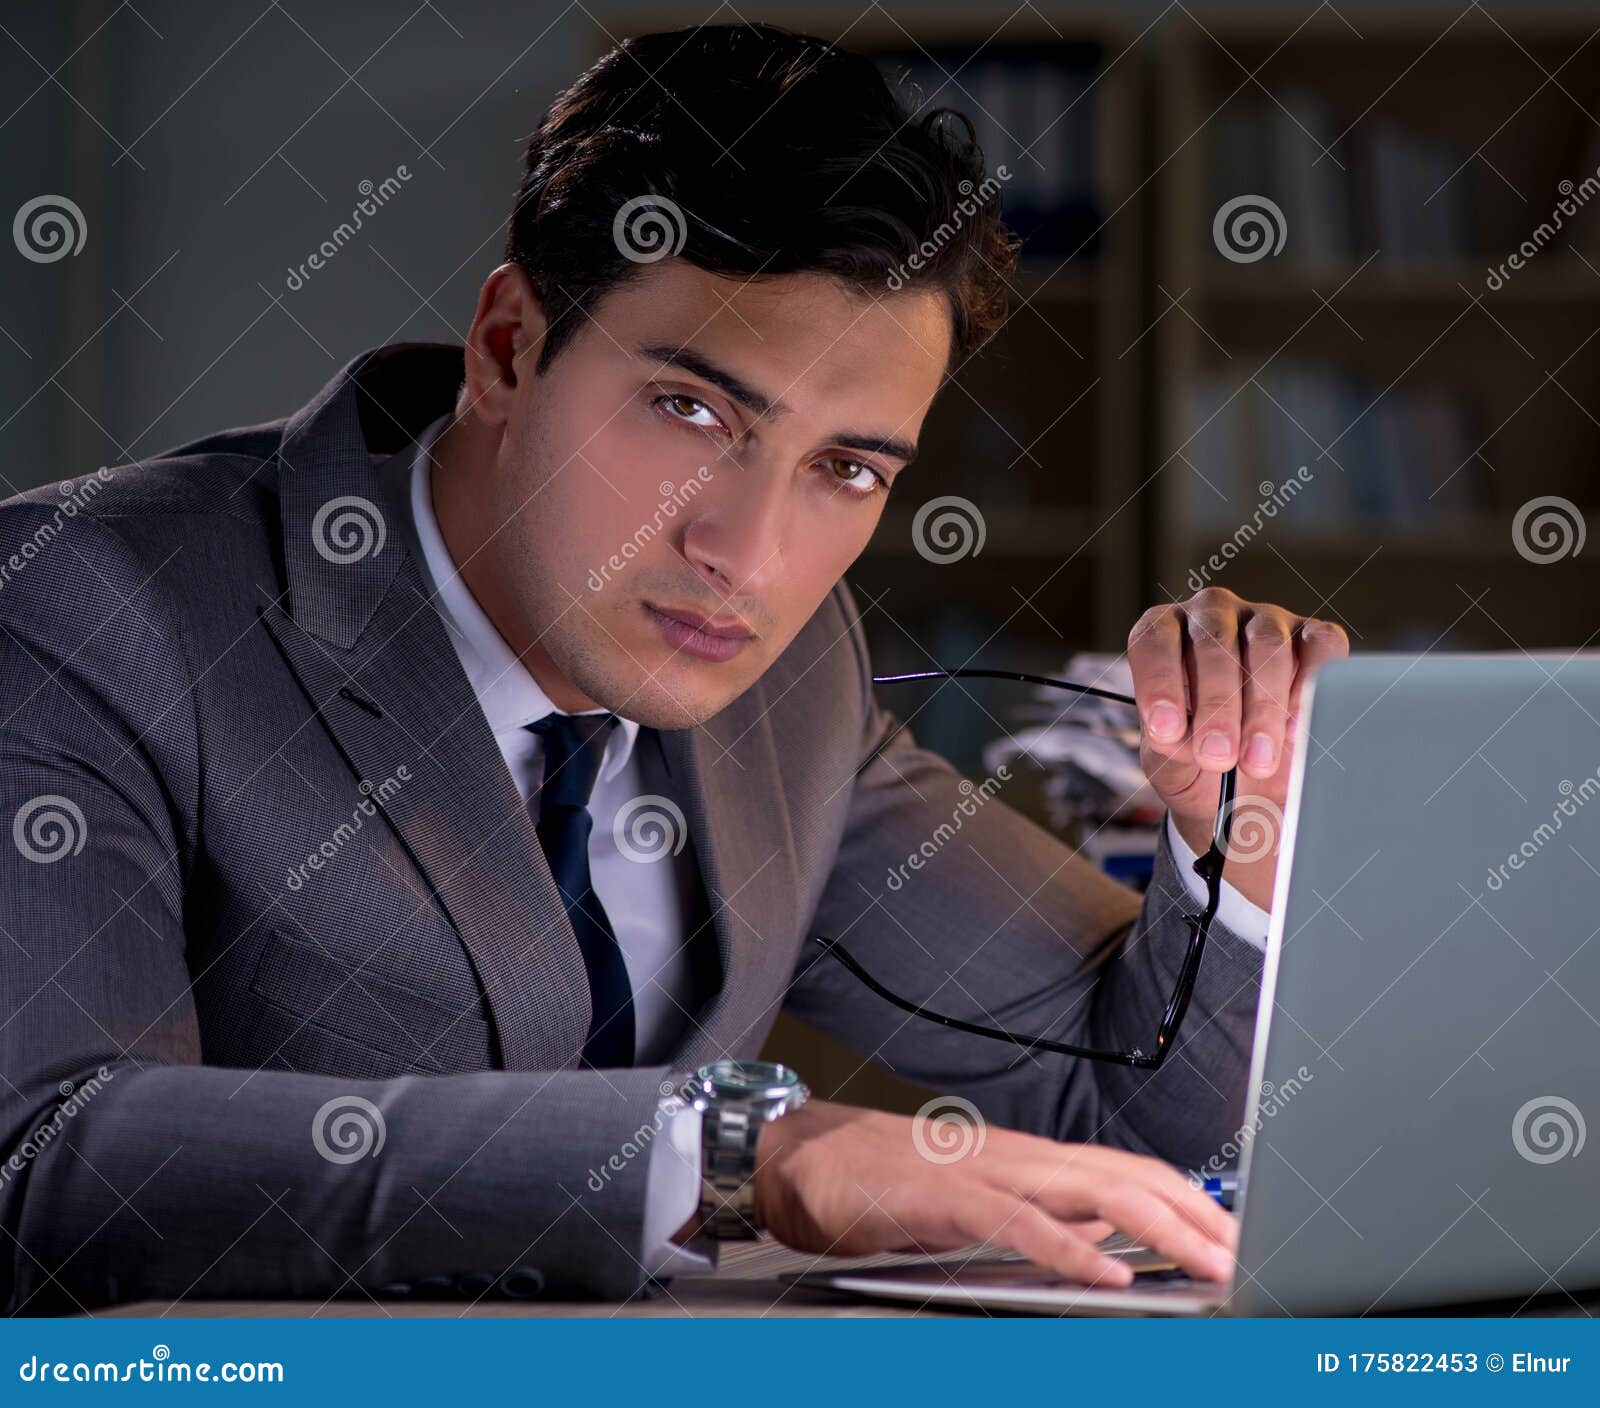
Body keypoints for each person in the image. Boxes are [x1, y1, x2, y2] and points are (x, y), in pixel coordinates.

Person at [0, 23, 1346, 1314]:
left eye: (847, 469)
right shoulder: (82, 599)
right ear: (510, 347)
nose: (747, 555)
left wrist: (1245, 820)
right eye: (694, 411)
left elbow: (1132, 1114)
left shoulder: (792, 675)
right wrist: (735, 1157)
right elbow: (48, 1157)